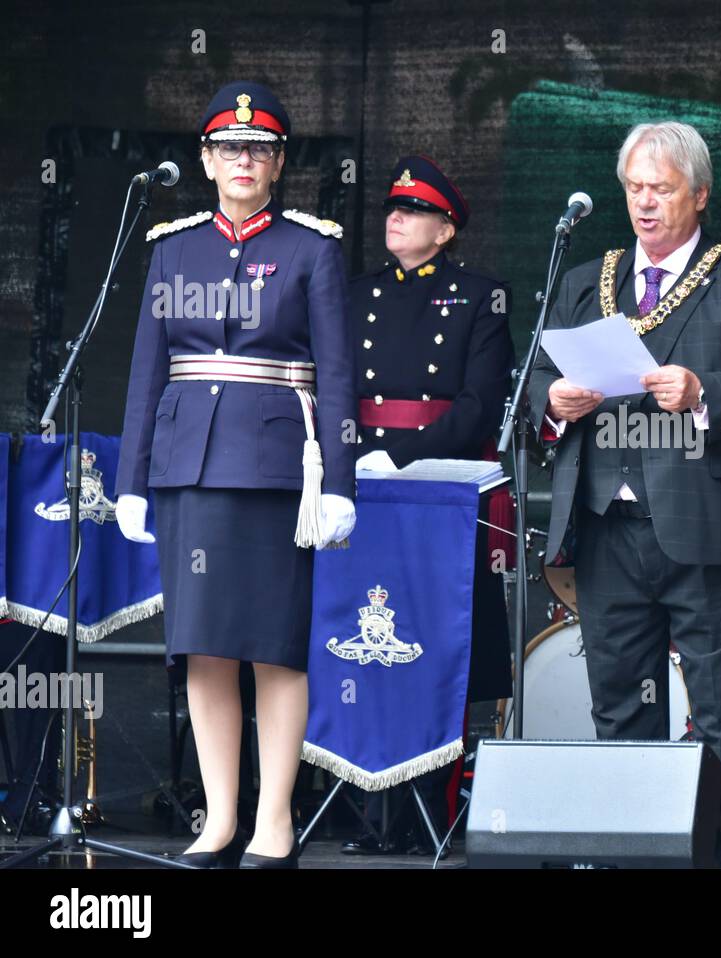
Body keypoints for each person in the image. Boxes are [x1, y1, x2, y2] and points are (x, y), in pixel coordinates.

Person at [528, 121, 721, 840]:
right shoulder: (588, 279)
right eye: (635, 189)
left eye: (662, 189)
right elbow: (535, 380)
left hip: (708, 520)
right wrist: (553, 401)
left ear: (699, 194)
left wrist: (702, 390)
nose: (645, 203)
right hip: (606, 521)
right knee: (619, 700)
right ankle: (632, 844)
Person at [116, 81, 356, 868]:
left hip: (274, 471)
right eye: (227, 148)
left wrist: (342, 482)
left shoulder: (312, 247)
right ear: (205, 160)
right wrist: (129, 477)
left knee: (273, 647)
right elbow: (147, 372)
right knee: (203, 646)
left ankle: (274, 820)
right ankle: (220, 820)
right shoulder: (171, 246)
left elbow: (339, 374)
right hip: (188, 465)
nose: (242, 160)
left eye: (258, 149)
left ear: (280, 163)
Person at [343, 154, 514, 853]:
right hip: (361, 485)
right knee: (364, 642)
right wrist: (355, 458)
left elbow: (480, 403)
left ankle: (429, 814)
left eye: (412, 211)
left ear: (446, 231)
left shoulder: (481, 295)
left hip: (438, 489)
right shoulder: (354, 294)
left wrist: (404, 459)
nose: (395, 217)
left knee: (436, 642)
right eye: (391, 208)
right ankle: (367, 813)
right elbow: (332, 388)